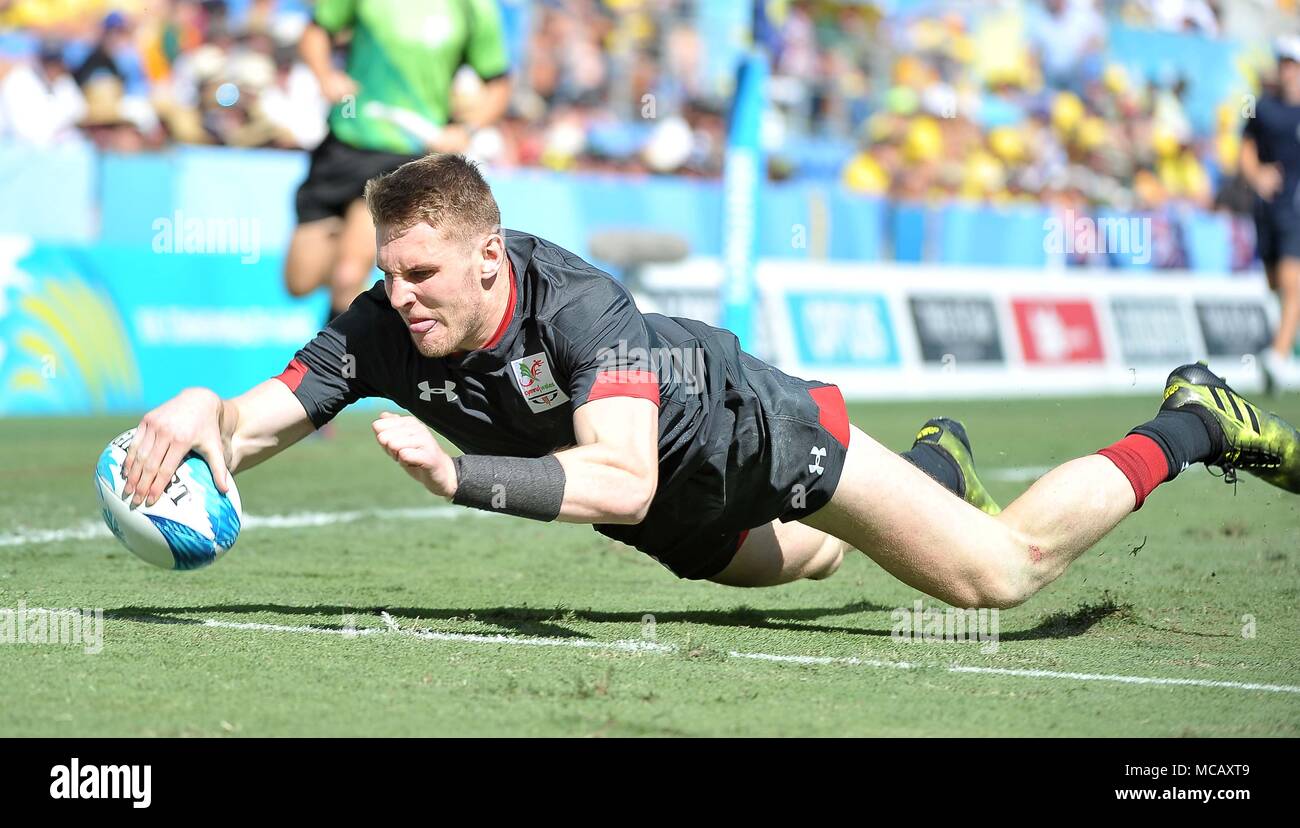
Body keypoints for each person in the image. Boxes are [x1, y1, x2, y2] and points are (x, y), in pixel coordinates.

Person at [119, 155, 1300, 605]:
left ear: (489, 256)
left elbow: (621, 480)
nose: (401, 296)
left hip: (756, 433)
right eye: (390, 274)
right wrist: (197, 413)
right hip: (666, 515)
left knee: (994, 576)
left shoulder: (588, 309)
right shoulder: (385, 322)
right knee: (811, 563)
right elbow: (250, 423)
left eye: (422, 272)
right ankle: (936, 461)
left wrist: (462, 474)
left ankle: (1193, 420)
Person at [287, 0, 510, 324]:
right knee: (299, 282)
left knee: (349, 275)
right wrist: (325, 76)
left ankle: (339, 372)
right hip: (343, 147)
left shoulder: (474, 8)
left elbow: (498, 83)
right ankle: (345, 241)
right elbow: (315, 34)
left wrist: (465, 129)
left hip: (406, 157)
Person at [1241, 36, 1300, 391]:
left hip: (1296, 209)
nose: (1287, 69)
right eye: (1284, 62)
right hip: (1267, 210)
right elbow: (1246, 150)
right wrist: (1257, 175)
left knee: (1293, 284)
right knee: (1275, 283)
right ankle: (1284, 345)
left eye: (1292, 63)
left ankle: (1278, 355)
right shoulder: (1262, 108)